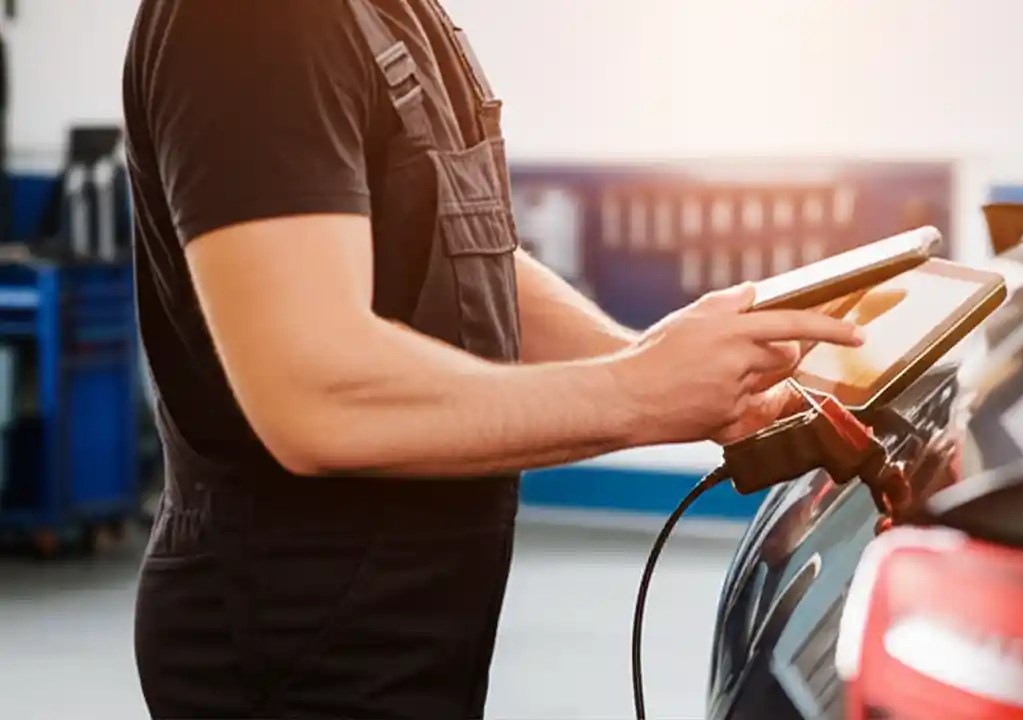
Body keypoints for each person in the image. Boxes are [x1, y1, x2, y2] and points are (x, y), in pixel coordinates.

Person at [123, 1, 862, 718]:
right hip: (290, 640)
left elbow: (468, 256)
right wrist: (639, 391)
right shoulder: (257, 20)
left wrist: (669, 367)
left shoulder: (402, 15)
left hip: (408, 622)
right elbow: (315, 391)